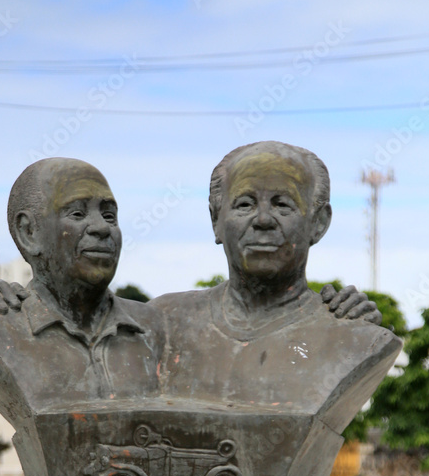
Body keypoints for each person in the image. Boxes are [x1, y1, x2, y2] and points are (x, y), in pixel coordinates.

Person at [153, 141, 401, 434]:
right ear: (215, 220)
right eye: (244, 204)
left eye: (282, 204)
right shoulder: (163, 324)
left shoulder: (353, 338)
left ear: (318, 223)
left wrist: (352, 331)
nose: (262, 220)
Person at [0, 158, 164, 429]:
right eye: (77, 214)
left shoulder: (157, 330)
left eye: (109, 216)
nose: (102, 228)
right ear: (29, 232)